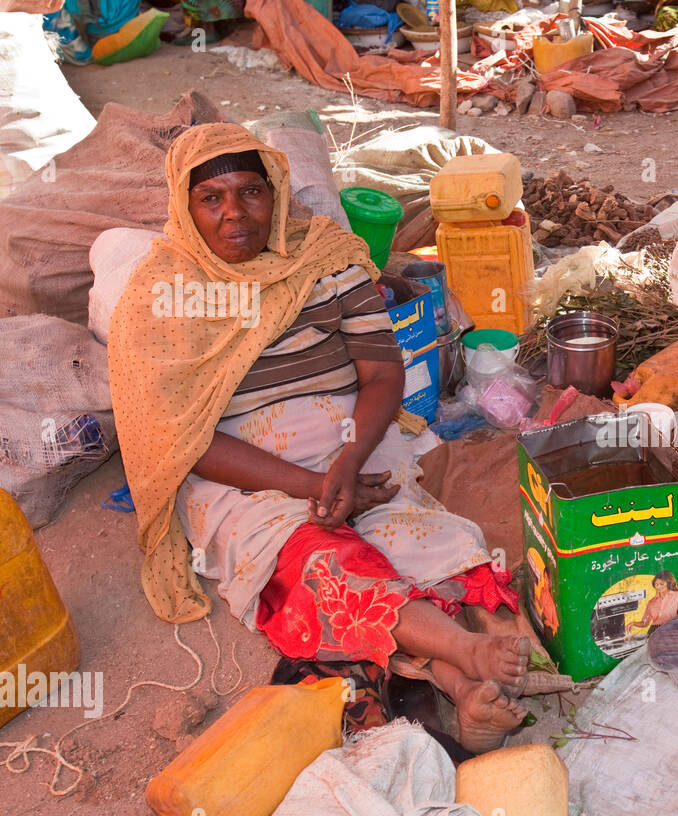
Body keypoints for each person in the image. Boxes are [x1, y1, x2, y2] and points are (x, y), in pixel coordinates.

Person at [108, 123, 530, 752]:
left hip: (351, 439)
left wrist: (349, 460)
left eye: (250, 192)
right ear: (185, 206)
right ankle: (464, 656)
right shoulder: (161, 297)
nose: (233, 215)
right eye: (212, 199)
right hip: (242, 474)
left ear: (276, 193)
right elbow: (176, 439)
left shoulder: (326, 260)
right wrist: (320, 487)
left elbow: (384, 374)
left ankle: (461, 686)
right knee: (316, 561)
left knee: (428, 542)